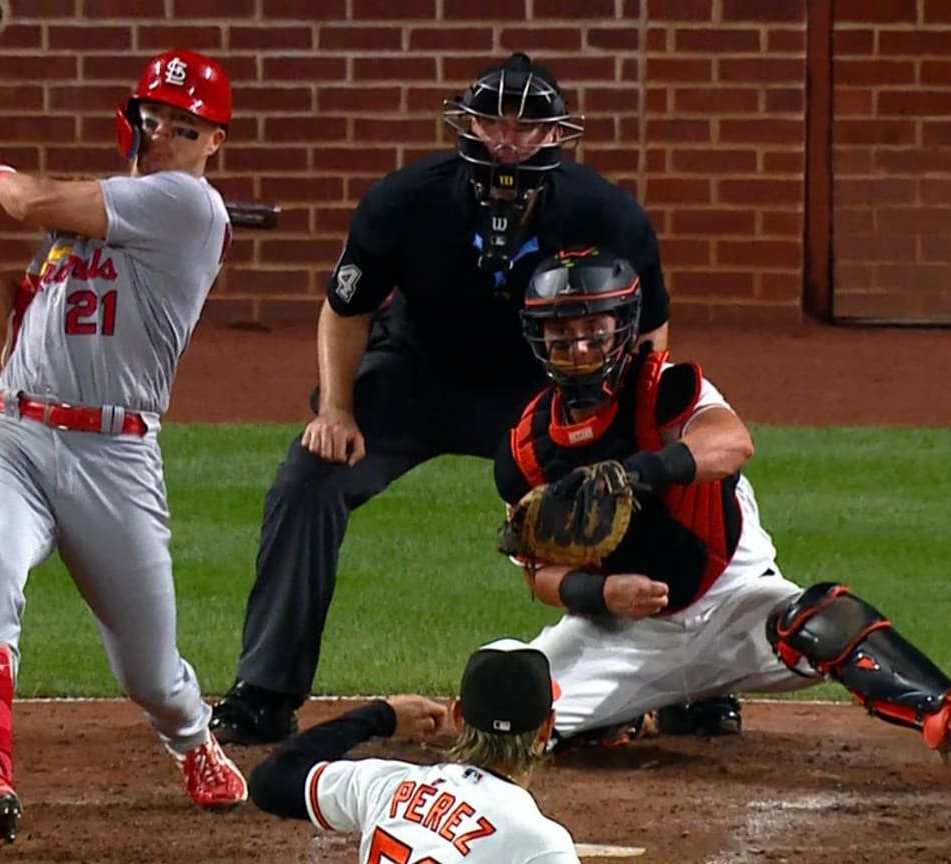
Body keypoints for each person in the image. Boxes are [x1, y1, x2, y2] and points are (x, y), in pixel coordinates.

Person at [211, 51, 737, 745]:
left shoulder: (607, 214)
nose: (509, 141)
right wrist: (335, 410)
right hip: (415, 372)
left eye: (529, 127)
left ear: (559, 137)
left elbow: (647, 331)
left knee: (630, 492)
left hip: (544, 385)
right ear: (467, 123)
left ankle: (682, 683)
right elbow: (347, 309)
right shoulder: (404, 200)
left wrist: (637, 431)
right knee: (308, 480)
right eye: (494, 120)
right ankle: (265, 689)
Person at [493, 246, 951, 786]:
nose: (579, 347)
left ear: (623, 328)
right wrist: (603, 596)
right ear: (539, 337)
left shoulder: (666, 387)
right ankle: (621, 714)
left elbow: (731, 442)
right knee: (501, 710)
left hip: (736, 605)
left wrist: (636, 475)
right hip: (625, 635)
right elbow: (538, 574)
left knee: (820, 616)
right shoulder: (527, 450)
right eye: (562, 333)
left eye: (594, 329)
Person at [0, 48, 248, 848]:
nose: (164, 134)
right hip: (14, 433)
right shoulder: (95, 215)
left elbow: (27, 198)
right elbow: (11, 314)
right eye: (155, 118)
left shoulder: (188, 208)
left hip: (115, 456)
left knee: (151, 673)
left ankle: (191, 736)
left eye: (185, 125)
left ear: (213, 144)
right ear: (133, 121)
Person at [247, 638, 581, 863]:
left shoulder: (387, 785)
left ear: (459, 717)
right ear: (546, 728)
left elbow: (271, 780)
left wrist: (381, 716)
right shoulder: (542, 844)